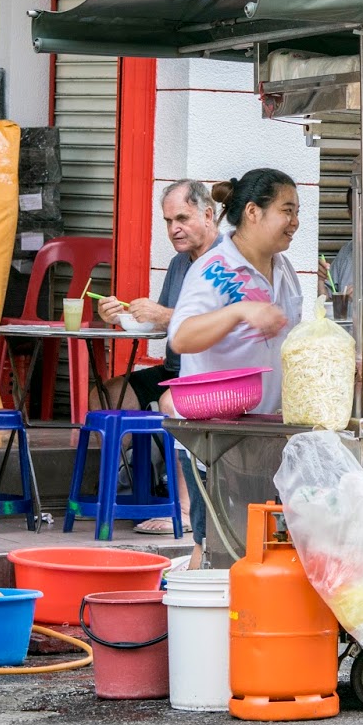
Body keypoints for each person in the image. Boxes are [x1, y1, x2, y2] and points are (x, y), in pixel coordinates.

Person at [168, 170, 303, 569]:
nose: (295, 222)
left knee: (262, 549)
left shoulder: (285, 269)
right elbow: (182, 336)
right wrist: (240, 310)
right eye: (287, 210)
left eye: (297, 212)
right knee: (213, 544)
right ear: (252, 212)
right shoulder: (214, 268)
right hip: (217, 439)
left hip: (265, 436)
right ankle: (193, 628)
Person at [95, 179, 220, 536]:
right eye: (167, 221)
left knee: (171, 403)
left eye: (181, 218)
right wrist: (120, 316)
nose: (173, 229)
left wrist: (163, 314)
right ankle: (130, 486)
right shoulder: (179, 263)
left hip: (212, 372)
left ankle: (183, 510)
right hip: (174, 366)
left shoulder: (226, 261)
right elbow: (162, 325)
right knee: (107, 395)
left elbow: (216, 323)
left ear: (208, 214)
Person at [319, 187, 363, 297]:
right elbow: (328, 306)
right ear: (350, 215)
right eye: (358, 212)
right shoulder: (346, 252)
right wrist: (320, 280)